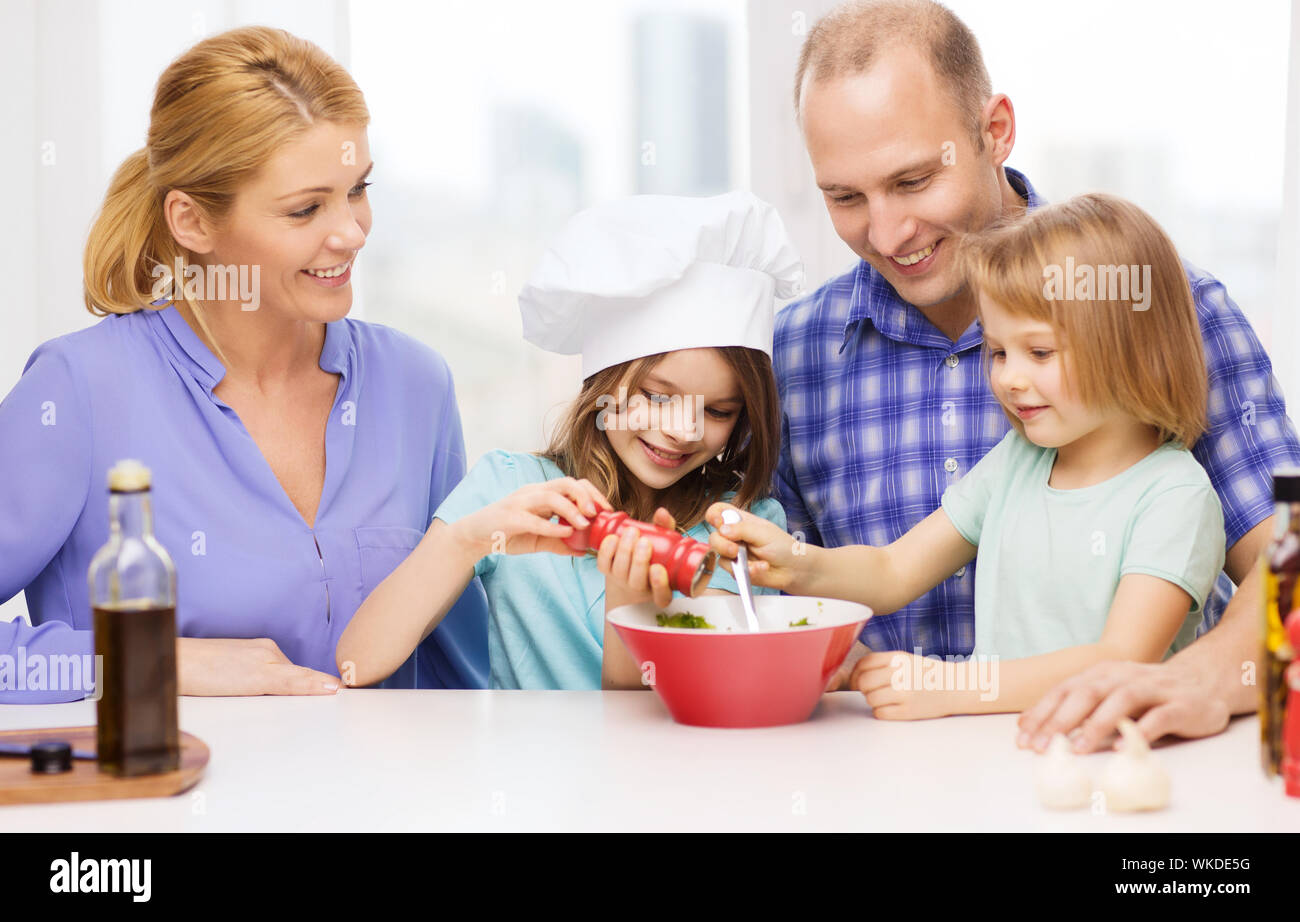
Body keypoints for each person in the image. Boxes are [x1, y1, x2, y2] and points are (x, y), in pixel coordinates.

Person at [778, 0, 1300, 741]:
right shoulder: (791, 356)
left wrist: (1192, 682)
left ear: (993, 133)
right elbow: (786, 595)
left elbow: (1292, 565)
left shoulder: (1162, 311)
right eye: (845, 197)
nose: (889, 233)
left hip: (1119, 764)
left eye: (915, 180)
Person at [0, 26, 488, 703]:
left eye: (357, 189)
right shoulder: (79, 392)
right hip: (155, 805)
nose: (350, 231)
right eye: (305, 208)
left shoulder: (415, 385)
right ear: (192, 222)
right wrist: (155, 662)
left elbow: (459, 676)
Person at [709, 194, 1225, 718]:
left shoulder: (1174, 496)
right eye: (998, 352)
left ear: (1133, 348)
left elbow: (1120, 660)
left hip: (1108, 765)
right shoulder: (1019, 460)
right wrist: (794, 563)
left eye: (1040, 352)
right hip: (998, 758)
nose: (1009, 378)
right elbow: (892, 571)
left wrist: (952, 685)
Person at [337, 192, 798, 689]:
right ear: (603, 382)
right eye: (658, 397)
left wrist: (630, 596)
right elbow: (358, 662)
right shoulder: (509, 488)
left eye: (718, 411)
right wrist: (466, 540)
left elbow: (669, 722)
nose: (683, 430)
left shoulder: (737, 527)